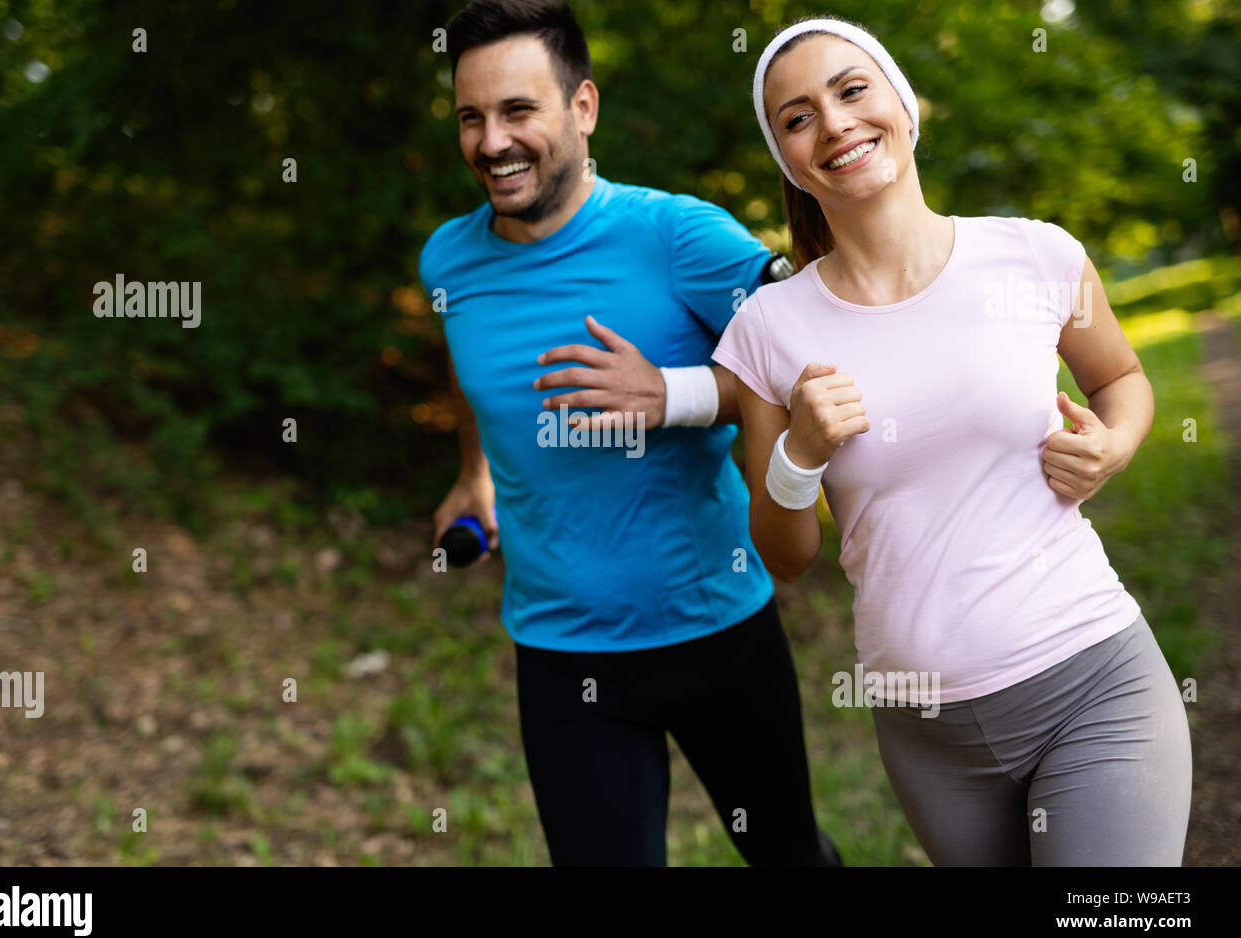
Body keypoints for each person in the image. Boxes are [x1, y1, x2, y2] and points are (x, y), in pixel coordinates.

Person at [713, 16, 1192, 866]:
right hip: (924, 726)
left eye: (852, 89)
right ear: (786, 157)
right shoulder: (767, 332)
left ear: (902, 101)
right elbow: (784, 555)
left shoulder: (1035, 257)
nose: (833, 124)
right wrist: (801, 457)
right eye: (797, 117)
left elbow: (1123, 380)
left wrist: (1113, 446)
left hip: (1093, 679)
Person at [418, 0, 839, 866]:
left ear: (582, 107)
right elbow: (471, 373)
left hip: (718, 628)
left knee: (790, 860)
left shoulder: (677, 235)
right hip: (562, 654)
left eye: (518, 110)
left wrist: (672, 393)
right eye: (472, 116)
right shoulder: (447, 262)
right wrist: (475, 473)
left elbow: (813, 362)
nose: (492, 141)